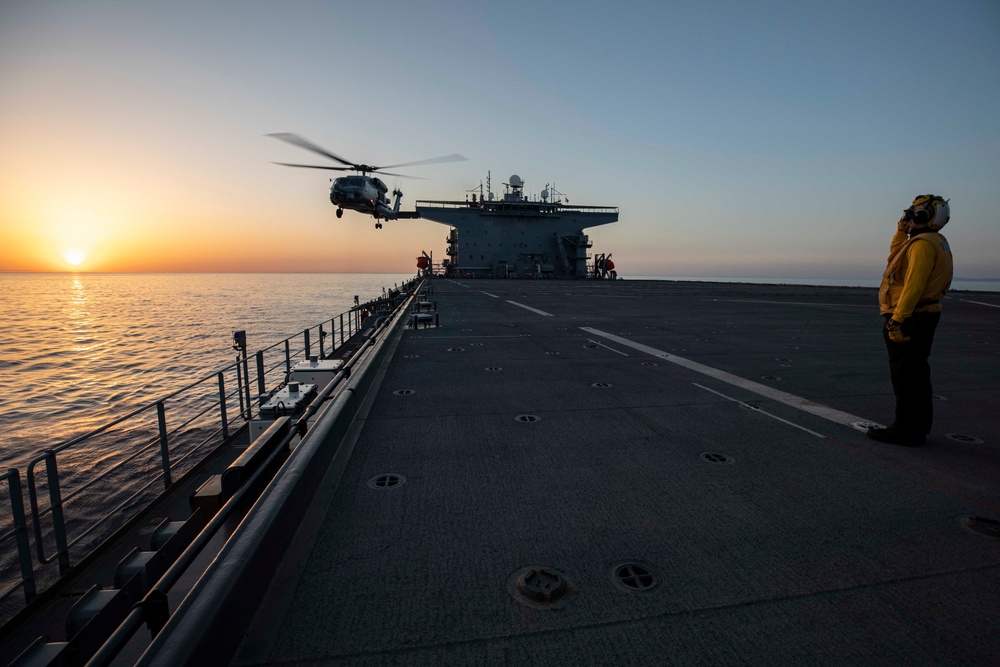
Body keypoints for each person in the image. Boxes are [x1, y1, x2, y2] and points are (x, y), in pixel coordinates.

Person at [868, 194, 953, 447]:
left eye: (914, 212)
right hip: (921, 315)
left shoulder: (922, 246)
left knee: (905, 375)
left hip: (912, 316)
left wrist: (898, 319)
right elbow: (895, 255)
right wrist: (900, 231)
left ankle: (905, 430)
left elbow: (913, 287)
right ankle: (917, 428)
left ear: (924, 215)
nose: (909, 216)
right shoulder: (930, 241)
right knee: (916, 373)